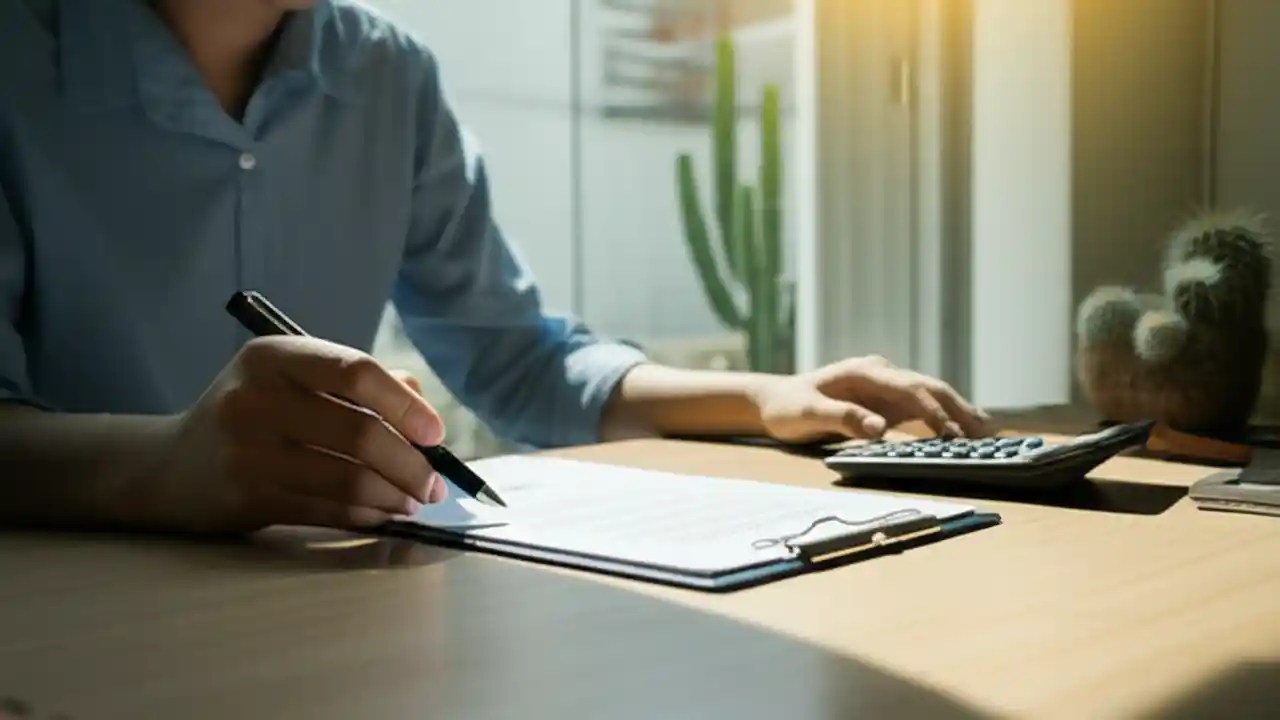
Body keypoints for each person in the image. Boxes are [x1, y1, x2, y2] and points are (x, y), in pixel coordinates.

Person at [0, 0, 991, 534]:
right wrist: (166, 466)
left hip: (326, 603)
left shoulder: (388, 75)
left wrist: (766, 397)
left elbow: (517, 359)